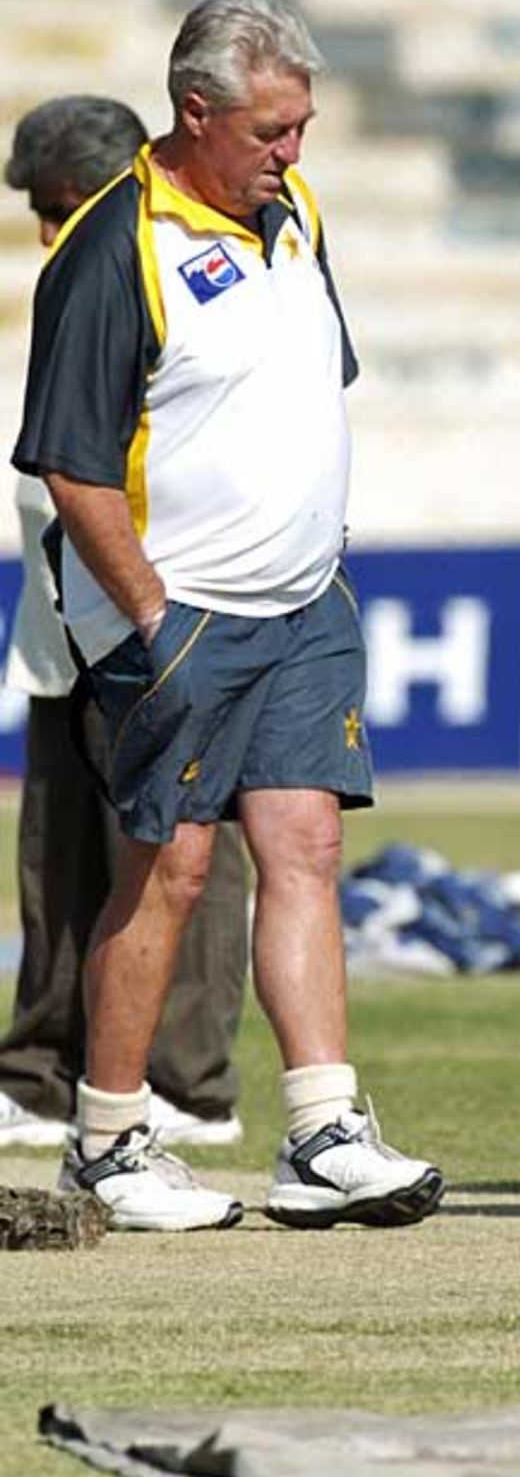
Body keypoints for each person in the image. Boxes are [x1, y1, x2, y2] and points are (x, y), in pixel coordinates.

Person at [12, 0, 445, 1231]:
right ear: (195, 112)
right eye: (270, 131)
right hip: (179, 615)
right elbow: (72, 465)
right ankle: (107, 1141)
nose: (293, 151)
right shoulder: (114, 245)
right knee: (171, 867)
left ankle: (322, 1131)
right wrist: (153, 616)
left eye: (302, 126)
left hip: (304, 603)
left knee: (305, 847)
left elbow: (306, 388)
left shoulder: (296, 212)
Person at [0, 95, 250, 1154]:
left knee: (176, 858)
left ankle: (189, 1084)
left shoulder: (172, 270)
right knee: (58, 867)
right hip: (63, 633)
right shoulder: (78, 279)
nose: (46, 233)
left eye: (58, 207)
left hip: (157, 620)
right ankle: (40, 1075)